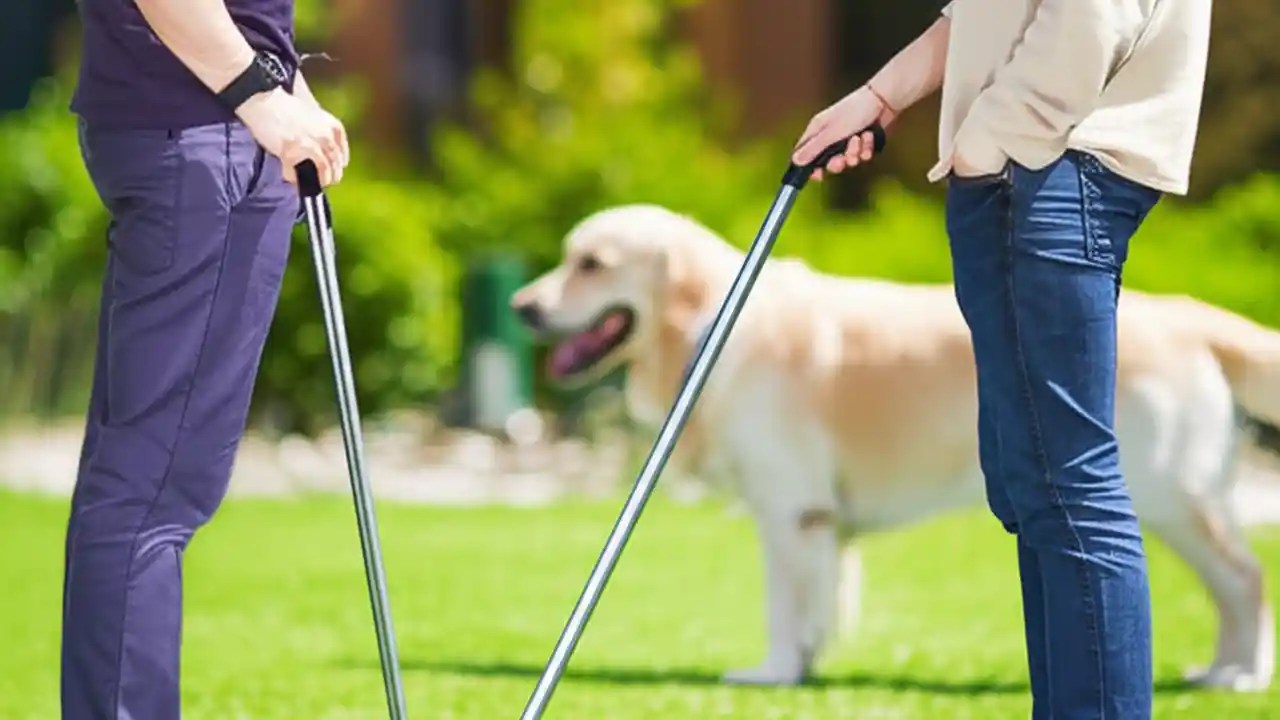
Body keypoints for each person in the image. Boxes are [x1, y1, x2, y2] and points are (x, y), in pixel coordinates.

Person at [792, 1, 1211, 718]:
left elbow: (1090, 15)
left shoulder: (1025, 147)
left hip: (1045, 172)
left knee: (1067, 486)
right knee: (1034, 486)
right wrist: (880, 98)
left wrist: (994, 139)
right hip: (1034, 171)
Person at [62, 0, 349, 717]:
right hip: (203, 132)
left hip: (203, 128)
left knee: (137, 485)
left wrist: (289, 90)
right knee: (149, 492)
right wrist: (260, 97)